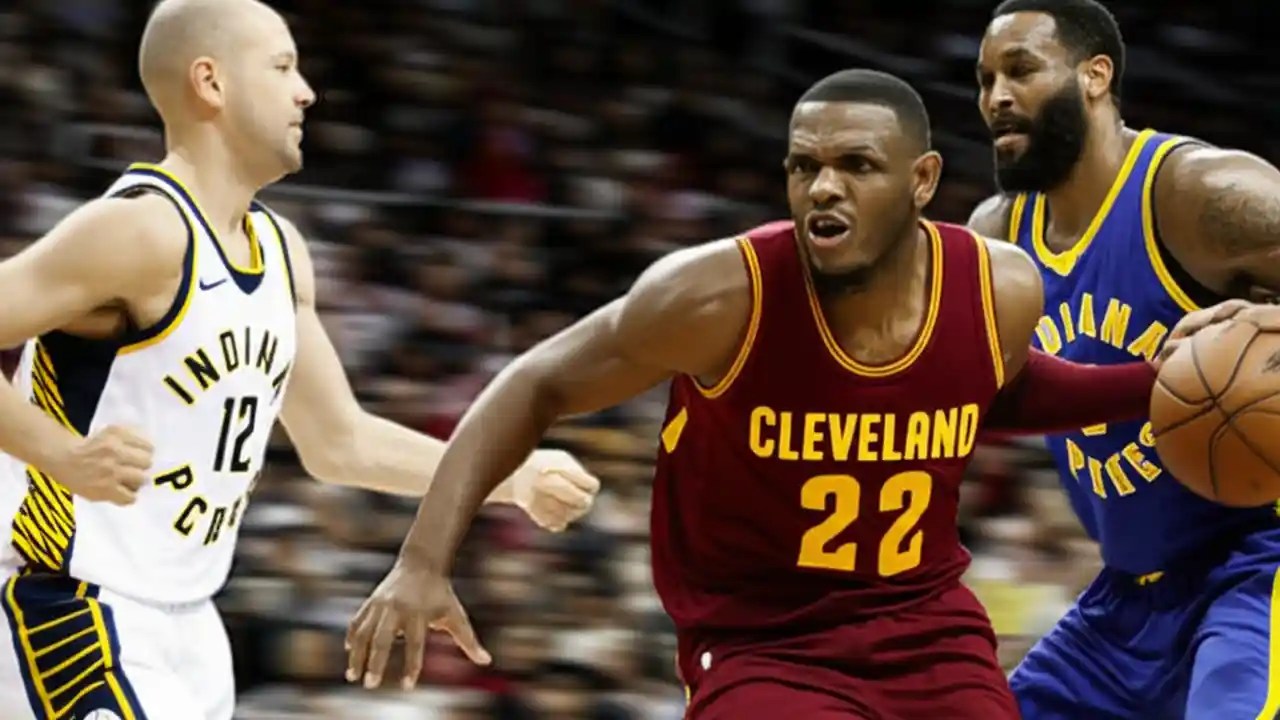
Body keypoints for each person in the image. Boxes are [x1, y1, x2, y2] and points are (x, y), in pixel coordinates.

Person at [345, 69, 1164, 719]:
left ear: (921, 180)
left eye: (856, 165)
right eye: (804, 166)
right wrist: (422, 560)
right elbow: (537, 381)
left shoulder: (999, 287)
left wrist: (1158, 385)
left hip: (928, 629)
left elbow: (1001, 394)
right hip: (763, 644)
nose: (824, 188)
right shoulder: (715, 297)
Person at [0, 1, 601, 718]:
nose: (306, 90)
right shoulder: (139, 231)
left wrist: (509, 476)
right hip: (70, 606)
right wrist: (60, 453)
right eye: (282, 67)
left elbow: (339, 441)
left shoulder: (281, 250)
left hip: (192, 623)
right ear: (210, 83)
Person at [968, 1, 1280, 718]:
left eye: (1020, 70)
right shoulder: (999, 240)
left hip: (1258, 567)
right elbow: (959, 396)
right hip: (1126, 597)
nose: (996, 98)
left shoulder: (1198, 195)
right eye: (985, 80)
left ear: (1095, 75)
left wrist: (1267, 323)